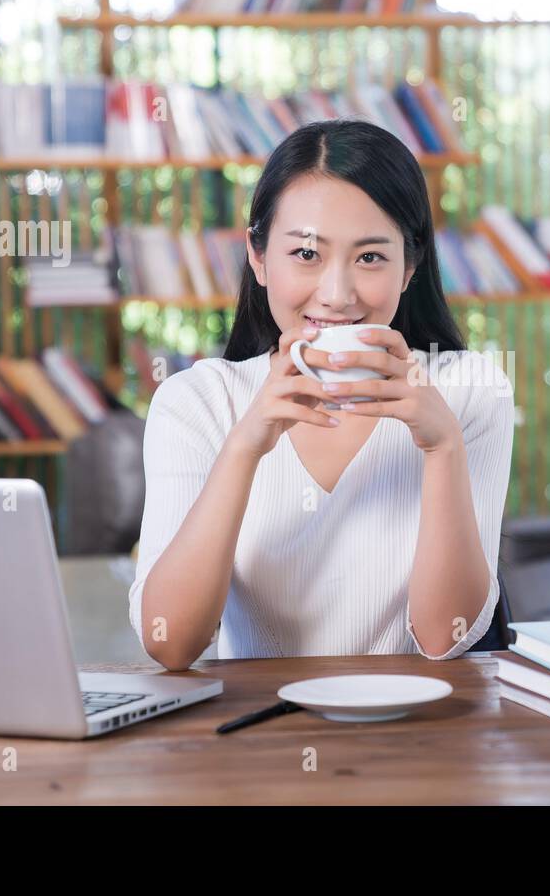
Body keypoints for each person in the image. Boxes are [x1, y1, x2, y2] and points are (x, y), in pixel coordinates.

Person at [129, 119, 514, 672]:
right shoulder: (196, 403)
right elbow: (171, 643)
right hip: (261, 737)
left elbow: (444, 639)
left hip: (420, 737)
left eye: (370, 257)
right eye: (306, 255)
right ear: (258, 259)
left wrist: (443, 447)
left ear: (410, 267)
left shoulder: (470, 392)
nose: (336, 295)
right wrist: (244, 447)